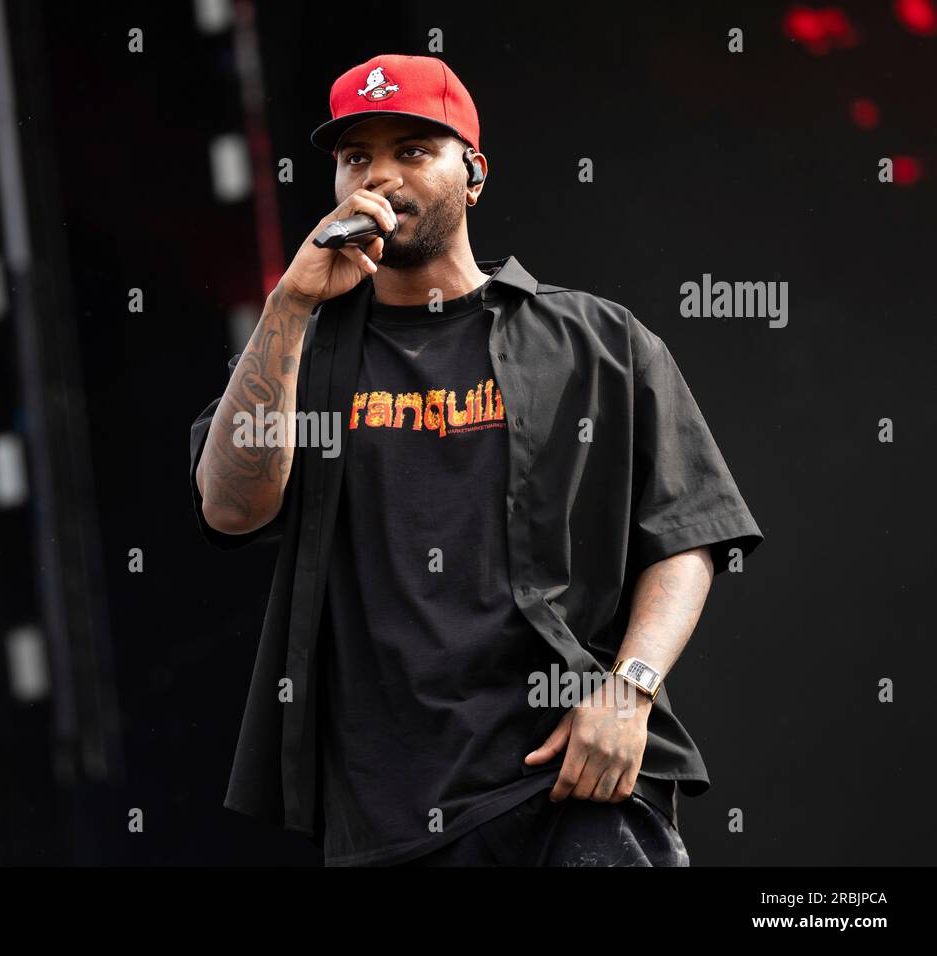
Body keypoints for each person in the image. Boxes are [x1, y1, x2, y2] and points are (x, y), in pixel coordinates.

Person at [189, 54, 764, 866]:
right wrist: (287, 304)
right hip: (388, 809)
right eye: (358, 158)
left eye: (414, 150)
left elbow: (687, 535)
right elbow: (230, 508)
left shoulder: (594, 341)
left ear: (475, 174)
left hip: (572, 780)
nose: (380, 177)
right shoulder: (300, 359)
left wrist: (629, 690)